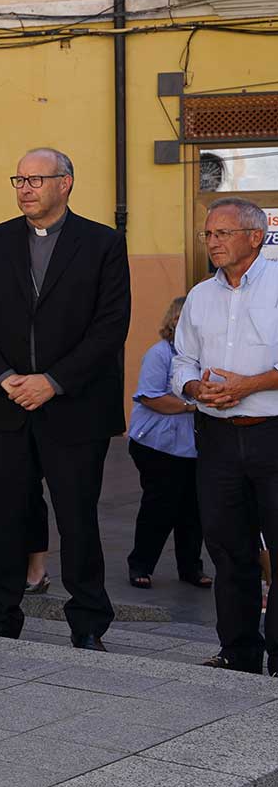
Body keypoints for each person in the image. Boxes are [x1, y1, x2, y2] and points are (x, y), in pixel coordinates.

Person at [0, 147, 129, 650]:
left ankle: (88, 623)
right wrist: (6, 376)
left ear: (66, 183)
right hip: (4, 404)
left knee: (78, 517)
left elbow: (110, 325)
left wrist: (53, 381)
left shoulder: (102, 243)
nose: (25, 188)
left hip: (75, 407)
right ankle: (2, 617)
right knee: (6, 514)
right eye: (19, 179)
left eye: (36, 179)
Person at [173, 198, 278, 674]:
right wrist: (196, 388)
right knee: (227, 547)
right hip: (215, 437)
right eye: (208, 234)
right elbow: (182, 362)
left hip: (272, 433)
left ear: (255, 237)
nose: (212, 242)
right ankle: (238, 652)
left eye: (223, 233)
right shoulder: (199, 296)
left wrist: (248, 385)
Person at [126, 297, 208, 591]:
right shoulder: (160, 354)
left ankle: (190, 568)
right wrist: (192, 406)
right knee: (160, 507)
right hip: (157, 445)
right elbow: (151, 397)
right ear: (173, 322)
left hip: (193, 447)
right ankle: (140, 565)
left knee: (193, 509)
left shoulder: (204, 357)